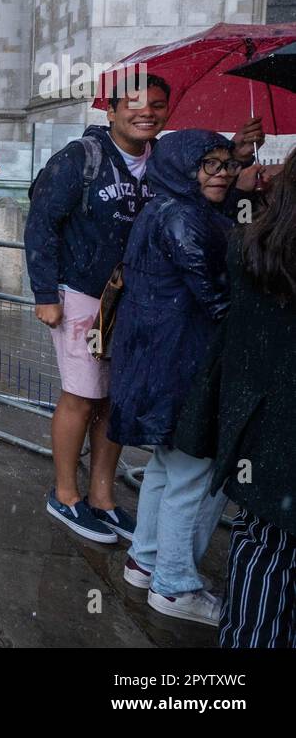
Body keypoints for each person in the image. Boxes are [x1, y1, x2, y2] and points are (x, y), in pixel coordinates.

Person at [27, 69, 265, 544]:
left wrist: (237, 158)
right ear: (110, 109)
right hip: (84, 297)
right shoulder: (82, 158)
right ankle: (65, 494)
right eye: (134, 103)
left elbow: (208, 205)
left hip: (138, 304)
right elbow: (41, 224)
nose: (147, 113)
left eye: (157, 105)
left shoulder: (167, 161)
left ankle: (103, 497)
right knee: (82, 395)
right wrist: (45, 295)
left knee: (116, 397)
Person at [108, 130, 254, 626]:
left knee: (168, 469)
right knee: (196, 477)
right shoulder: (183, 218)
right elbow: (216, 299)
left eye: (225, 164)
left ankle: (144, 561)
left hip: (161, 362)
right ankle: (174, 585)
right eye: (208, 165)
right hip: (183, 366)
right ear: (180, 168)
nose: (221, 174)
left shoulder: (167, 208)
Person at [174, 150, 296, 646]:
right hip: (270, 444)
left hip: (264, 442)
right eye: (212, 165)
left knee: (263, 569)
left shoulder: (252, 247)